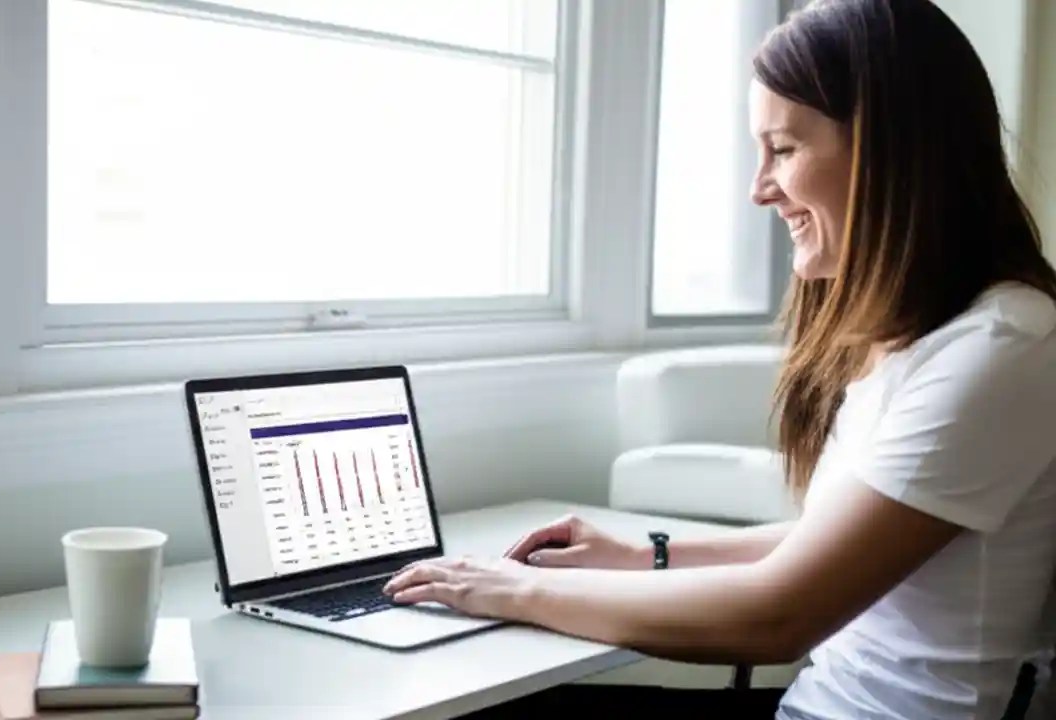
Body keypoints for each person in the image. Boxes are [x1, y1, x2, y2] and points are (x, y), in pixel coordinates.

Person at [381, 0, 1056, 717]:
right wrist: (643, 555)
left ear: (892, 151)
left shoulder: (1002, 346)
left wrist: (512, 591)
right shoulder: (925, 336)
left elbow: (778, 616)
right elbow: (832, 541)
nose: (760, 187)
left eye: (785, 149)